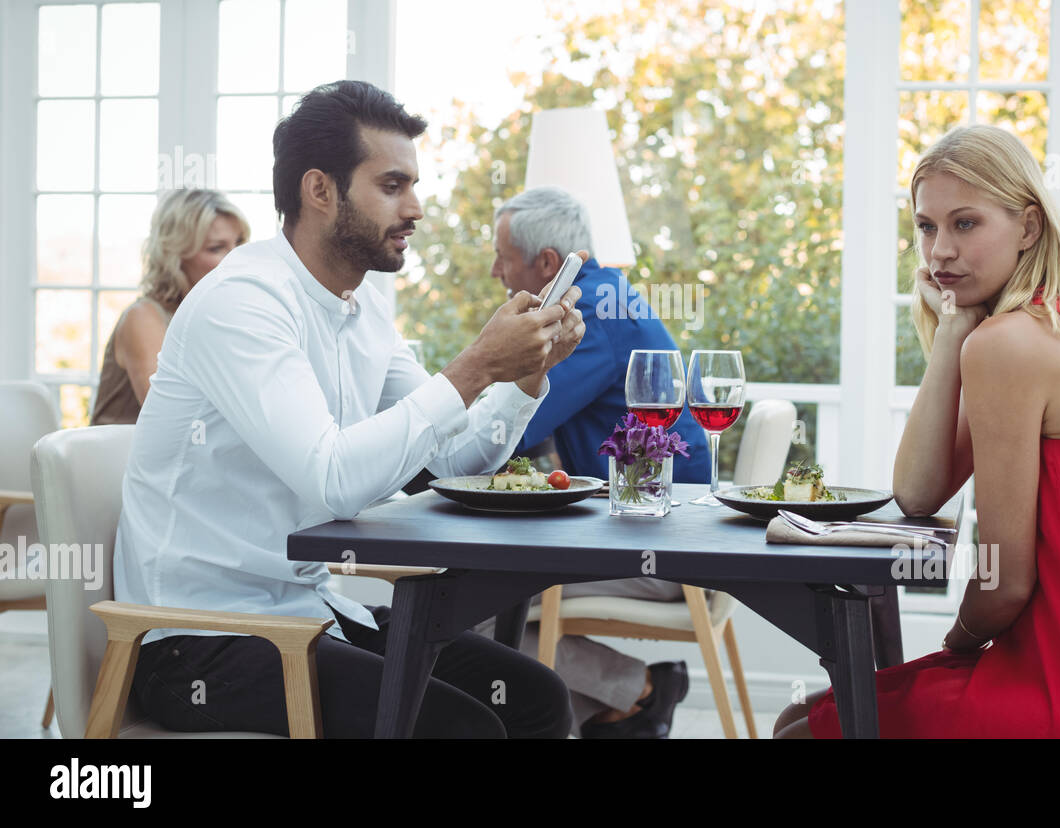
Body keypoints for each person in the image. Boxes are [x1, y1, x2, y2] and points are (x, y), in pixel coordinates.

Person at [114, 80, 582, 738]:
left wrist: (525, 375)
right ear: (320, 191)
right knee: (460, 728)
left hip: (307, 610)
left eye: (414, 186)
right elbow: (331, 478)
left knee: (532, 697)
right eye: (393, 185)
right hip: (200, 640)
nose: (416, 208)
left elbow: (450, 459)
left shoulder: (360, 313)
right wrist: (474, 364)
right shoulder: (243, 303)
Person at [775, 124, 1060, 738]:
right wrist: (953, 332)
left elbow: (1004, 582)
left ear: (1029, 228)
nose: (940, 252)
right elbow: (919, 492)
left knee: (802, 731)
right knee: (808, 713)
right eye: (927, 227)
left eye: (966, 224)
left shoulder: (1010, 346)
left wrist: (957, 645)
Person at [479, 186, 708, 738]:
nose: (495, 272)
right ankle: (621, 710)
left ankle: (638, 691)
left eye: (503, 257)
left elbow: (511, 429)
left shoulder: (586, 319)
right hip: (657, 525)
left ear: (548, 264)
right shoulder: (608, 296)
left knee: (472, 606)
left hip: (667, 544)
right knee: (478, 596)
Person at [90, 189, 248, 425]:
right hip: (115, 459)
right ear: (175, 256)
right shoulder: (143, 318)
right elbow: (173, 420)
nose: (236, 258)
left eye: (239, 243)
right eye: (216, 248)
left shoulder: (219, 318)